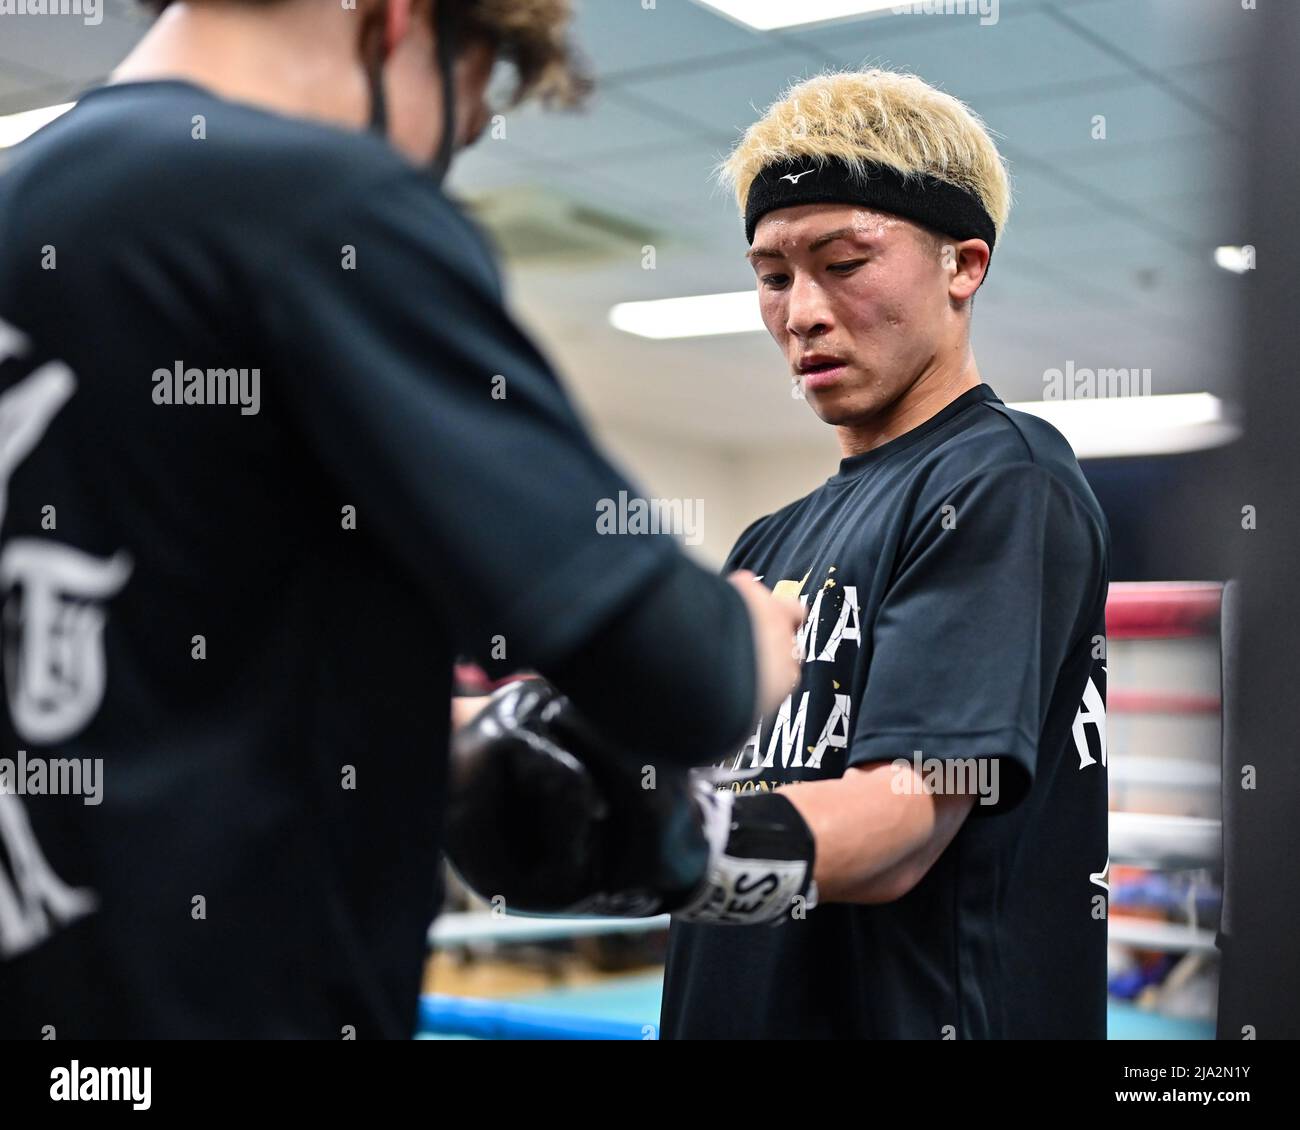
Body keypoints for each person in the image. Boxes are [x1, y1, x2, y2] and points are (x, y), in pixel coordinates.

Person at [0, 0, 803, 1039]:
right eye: (455, 124)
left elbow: (170, 653)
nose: (432, 173)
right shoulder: (308, 198)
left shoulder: (27, 205)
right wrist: (749, 636)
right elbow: (683, 671)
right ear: (395, 23)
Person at [449, 68, 1112, 1040]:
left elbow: (900, 826)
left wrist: (667, 848)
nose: (800, 311)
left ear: (962, 264)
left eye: (843, 261)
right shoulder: (773, 539)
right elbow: (693, 766)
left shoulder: (1004, 477)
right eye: (771, 274)